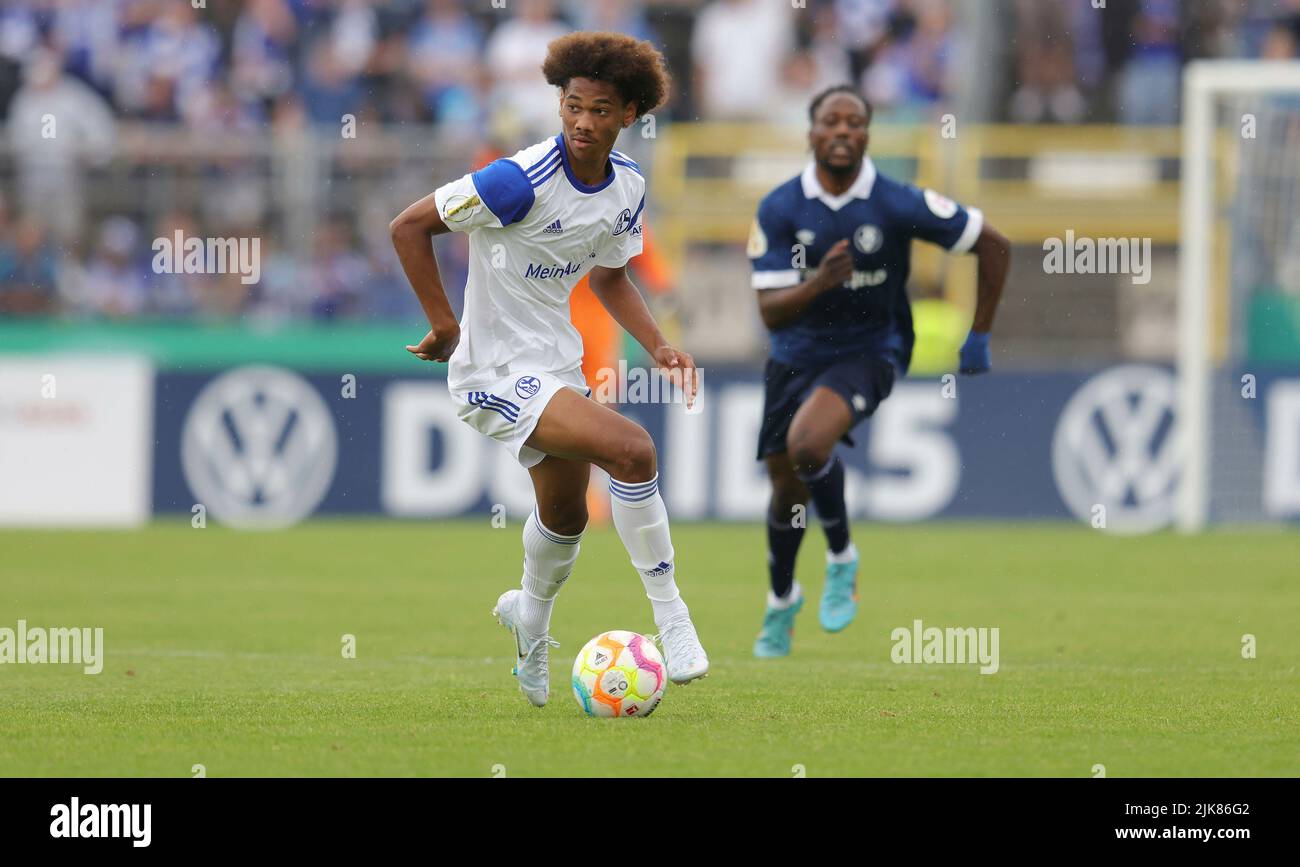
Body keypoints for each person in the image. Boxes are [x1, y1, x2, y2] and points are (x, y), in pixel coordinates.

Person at [390, 31, 709, 708]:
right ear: (558, 104)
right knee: (632, 449)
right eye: (573, 106)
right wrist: (447, 324)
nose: (583, 122)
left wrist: (659, 346)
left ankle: (529, 622)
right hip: (492, 371)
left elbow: (611, 279)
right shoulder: (515, 181)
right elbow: (408, 227)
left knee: (563, 515)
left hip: (554, 363)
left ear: (630, 114)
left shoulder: (627, 186)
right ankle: (672, 615)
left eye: (600, 109)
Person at [747, 84, 1010, 658]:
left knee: (808, 445)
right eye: (831, 123)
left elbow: (994, 245)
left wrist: (980, 333)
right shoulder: (780, 208)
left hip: (872, 349)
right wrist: (818, 283)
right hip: (793, 355)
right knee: (786, 488)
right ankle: (781, 600)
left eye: (855, 123)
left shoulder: (895, 203)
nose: (842, 132)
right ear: (811, 133)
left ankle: (842, 558)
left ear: (868, 135)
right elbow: (768, 309)